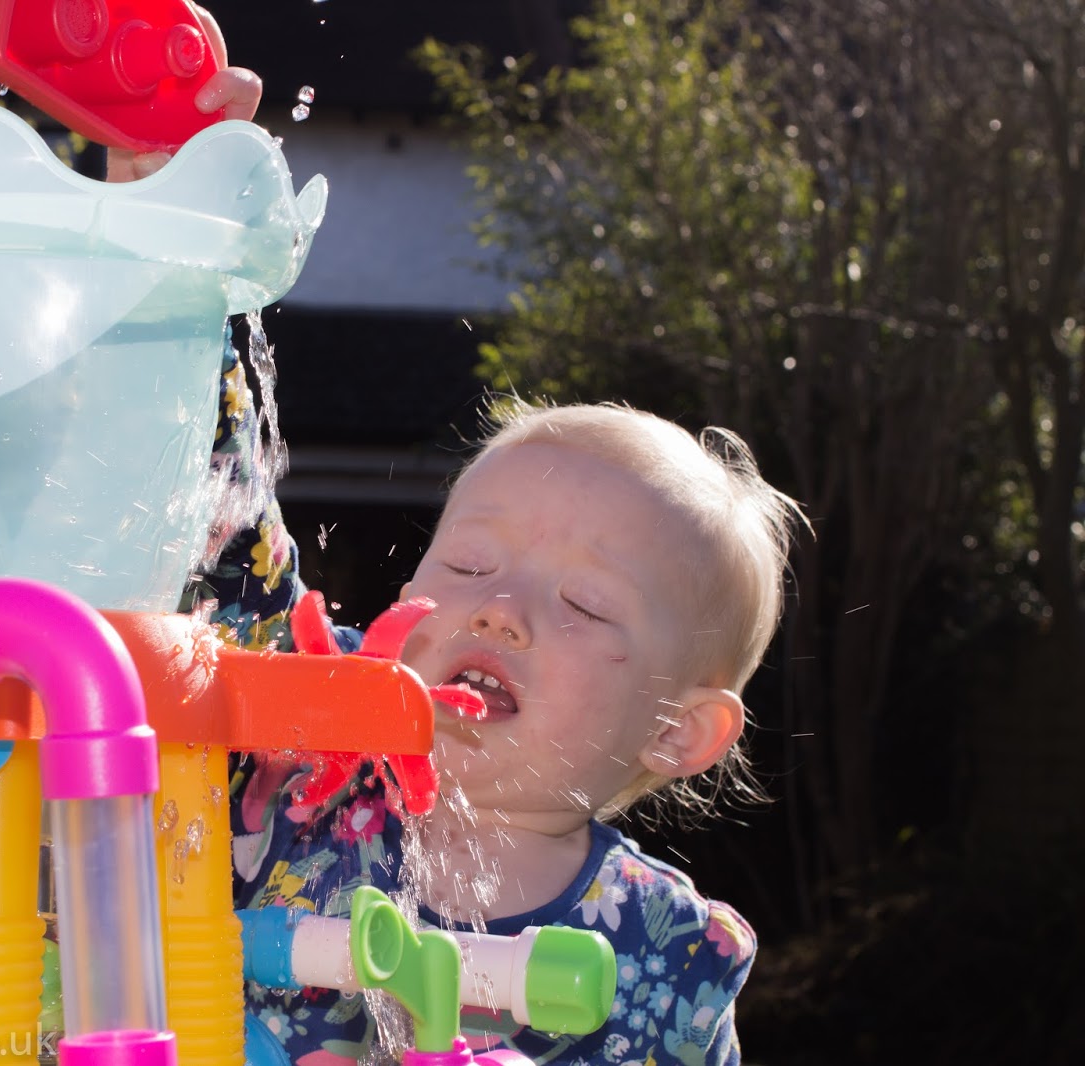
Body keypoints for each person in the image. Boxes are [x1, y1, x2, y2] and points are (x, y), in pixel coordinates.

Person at [115, 10, 807, 1065]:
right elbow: (211, 538)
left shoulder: (662, 959)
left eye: (582, 603)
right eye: (470, 562)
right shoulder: (298, 755)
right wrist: (165, 239)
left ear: (676, 732)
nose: (498, 607)